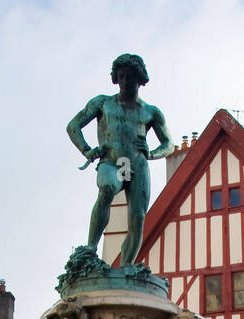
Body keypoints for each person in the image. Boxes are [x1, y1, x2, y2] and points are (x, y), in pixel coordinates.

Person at [66, 53, 175, 266]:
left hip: (138, 164)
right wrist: (87, 150)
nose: (125, 81)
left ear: (140, 80)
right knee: (107, 188)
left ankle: (126, 267)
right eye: (122, 76)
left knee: (138, 218)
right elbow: (73, 126)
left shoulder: (151, 112)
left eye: (130, 77)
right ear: (116, 78)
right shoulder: (103, 103)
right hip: (111, 161)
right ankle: (90, 248)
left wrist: (152, 153)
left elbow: (168, 144)